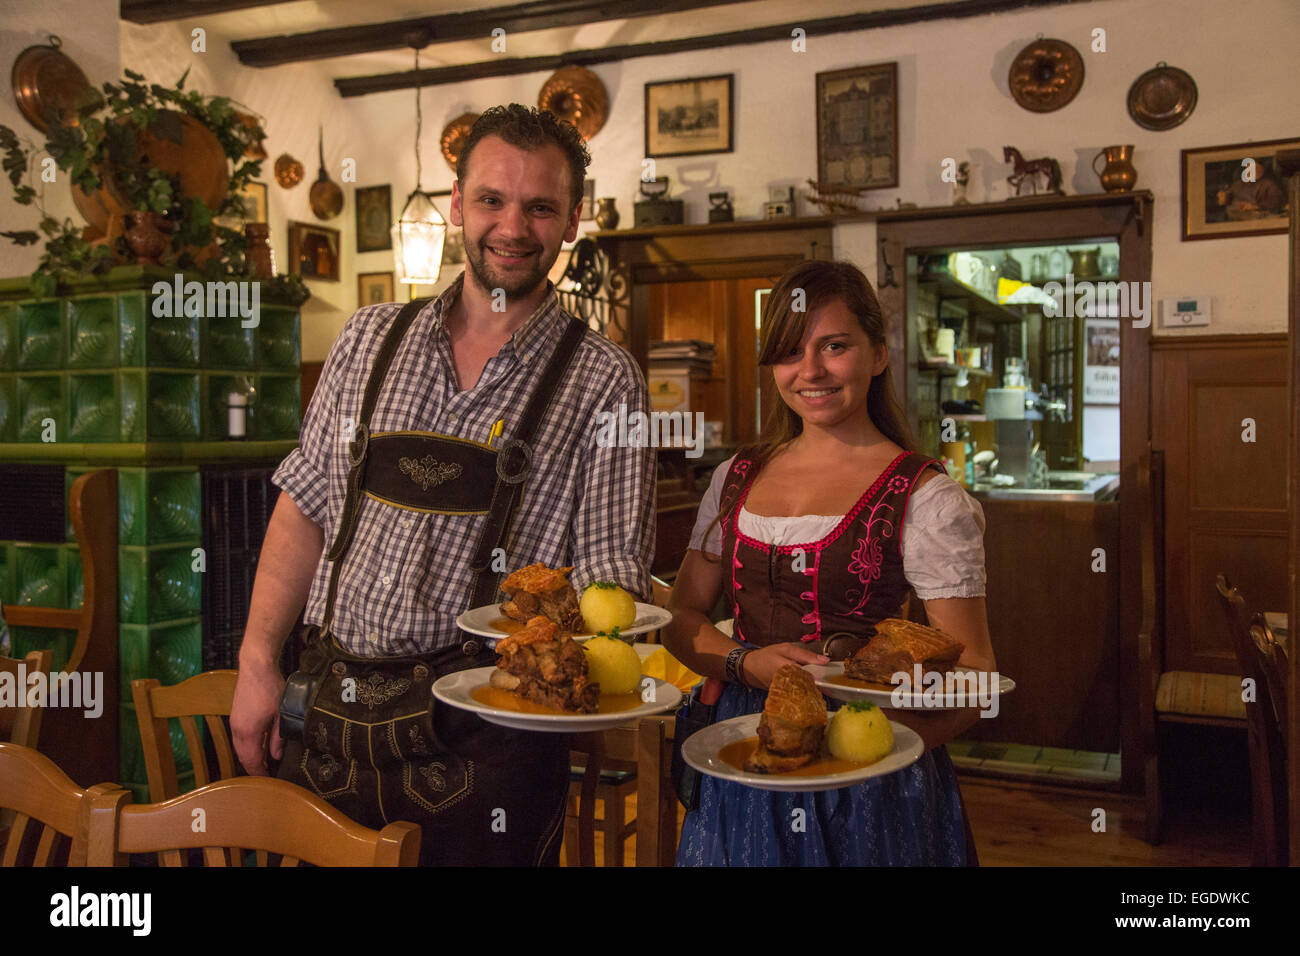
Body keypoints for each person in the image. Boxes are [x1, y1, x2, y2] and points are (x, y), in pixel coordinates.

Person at [230, 104, 656, 866]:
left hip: (491, 733)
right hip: (328, 711)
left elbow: (608, 581)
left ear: (572, 221)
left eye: (540, 207)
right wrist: (258, 660)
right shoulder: (367, 339)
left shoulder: (603, 379)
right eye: (492, 199)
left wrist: (584, 675)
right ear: (457, 205)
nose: (513, 227)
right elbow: (305, 511)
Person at [662, 259, 994, 866]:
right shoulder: (733, 478)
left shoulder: (925, 496)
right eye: (790, 352)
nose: (809, 370)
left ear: (878, 354)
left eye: (834, 346)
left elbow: (975, 679)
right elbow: (681, 615)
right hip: (744, 749)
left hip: (869, 769)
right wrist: (743, 661)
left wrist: (864, 749)